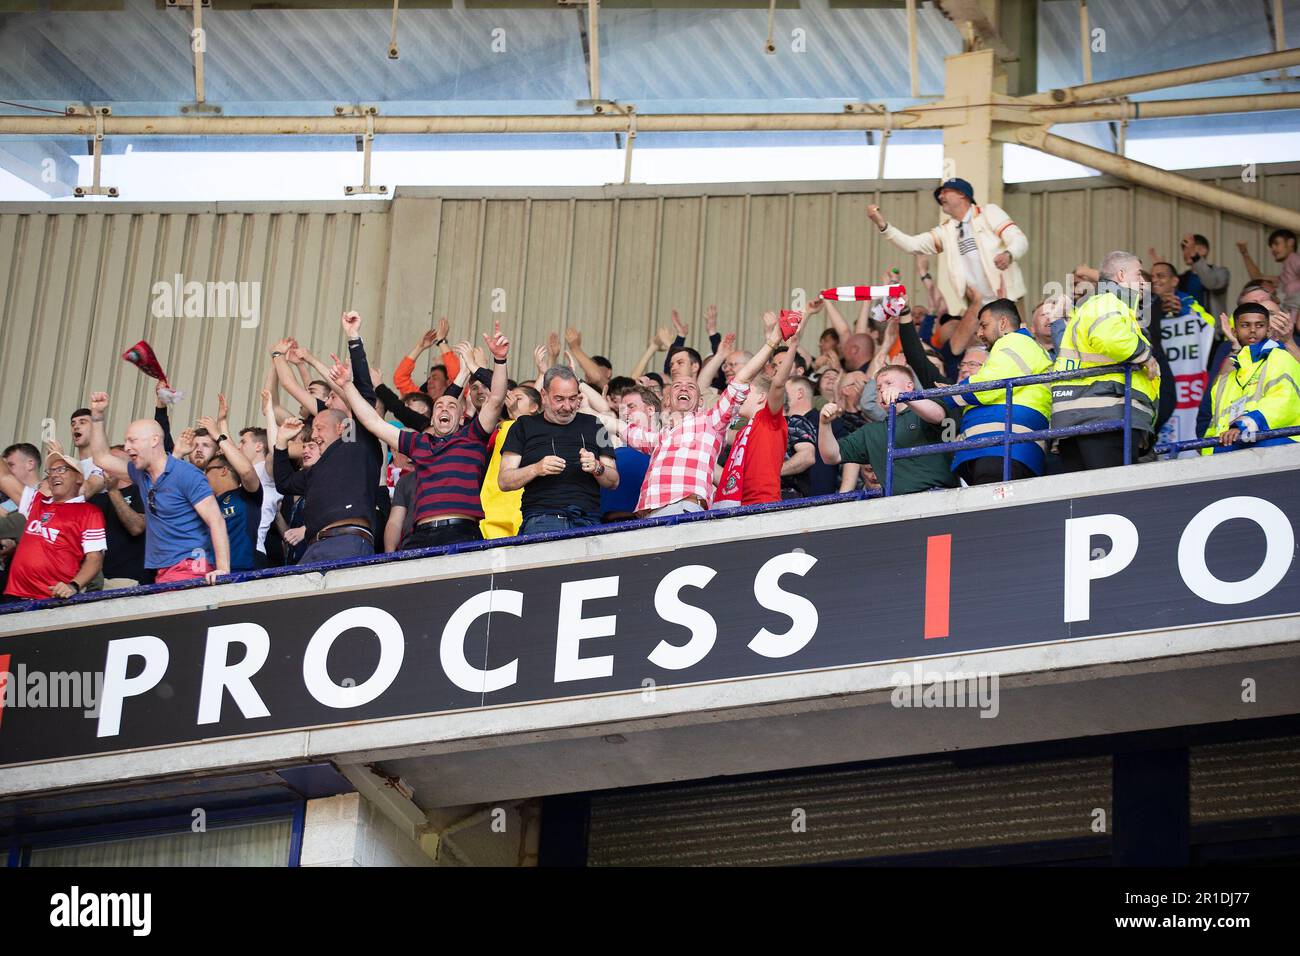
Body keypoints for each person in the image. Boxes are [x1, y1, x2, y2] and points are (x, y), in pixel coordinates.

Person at [332, 324, 510, 550]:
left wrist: (499, 360)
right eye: (439, 407)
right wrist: (347, 386)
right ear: (432, 419)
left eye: (451, 406)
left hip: (461, 533)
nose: (444, 409)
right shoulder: (418, 443)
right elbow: (373, 422)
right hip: (418, 537)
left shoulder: (473, 437)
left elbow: (496, 398)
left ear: (461, 416)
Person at [602, 313, 789, 517]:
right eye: (677, 386)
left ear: (700, 402)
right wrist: (594, 414)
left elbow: (743, 378)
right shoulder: (660, 436)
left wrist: (771, 342)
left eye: (690, 386)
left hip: (683, 509)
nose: (683, 388)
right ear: (669, 398)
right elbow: (625, 430)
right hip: (646, 516)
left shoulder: (711, 421)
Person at [271, 311, 385, 564]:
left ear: (342, 427)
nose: (315, 433)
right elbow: (285, 484)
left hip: (347, 540)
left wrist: (353, 338)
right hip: (314, 546)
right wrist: (281, 444)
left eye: (320, 427)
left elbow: (364, 390)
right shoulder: (318, 465)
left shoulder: (355, 438)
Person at [86, 392, 230, 585]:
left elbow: (216, 520)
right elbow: (101, 458)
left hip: (190, 566)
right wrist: (97, 416)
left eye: (132, 440)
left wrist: (223, 569)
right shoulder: (140, 473)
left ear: (154, 440)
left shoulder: (186, 474)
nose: (127, 448)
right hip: (164, 569)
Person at [1051, 250, 1161, 471]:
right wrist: (1145, 356)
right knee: (1113, 498)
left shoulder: (1099, 305)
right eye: (1138, 275)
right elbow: (1108, 337)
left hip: (1083, 417)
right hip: (1104, 417)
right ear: (1121, 275)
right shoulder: (1108, 301)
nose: (1143, 283)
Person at [941, 298, 1053, 483]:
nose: (979, 333)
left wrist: (947, 396)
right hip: (1003, 449)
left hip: (1002, 449)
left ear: (1003, 323)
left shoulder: (1015, 342)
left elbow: (989, 385)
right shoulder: (1020, 347)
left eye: (984, 325)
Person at [868, 177, 1029, 304]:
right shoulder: (946, 231)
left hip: (1008, 299)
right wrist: (882, 225)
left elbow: (1019, 240)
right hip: (978, 308)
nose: (940, 196)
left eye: (945, 192)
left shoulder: (988, 213)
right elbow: (912, 245)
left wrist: (1009, 254)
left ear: (962, 194)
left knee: (1018, 342)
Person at [499, 365, 619, 534]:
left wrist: (597, 467)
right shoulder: (523, 426)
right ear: (544, 395)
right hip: (541, 519)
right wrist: (536, 468)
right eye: (559, 399)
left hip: (588, 520)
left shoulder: (595, 424)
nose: (568, 406)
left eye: (573, 398)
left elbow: (614, 481)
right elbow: (504, 481)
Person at [818, 364, 959, 495]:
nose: (882, 390)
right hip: (896, 505)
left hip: (938, 496)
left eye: (889, 383)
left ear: (909, 386)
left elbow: (938, 415)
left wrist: (904, 397)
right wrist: (824, 424)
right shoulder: (870, 431)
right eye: (878, 388)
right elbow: (831, 456)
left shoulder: (924, 410)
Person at [714, 322, 808, 507]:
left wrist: (793, 347)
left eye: (747, 390)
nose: (739, 395)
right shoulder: (741, 431)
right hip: (733, 508)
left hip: (760, 504)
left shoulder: (768, 419)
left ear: (762, 397)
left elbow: (779, 383)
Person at [0, 450, 106, 602]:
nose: (55, 474)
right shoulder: (36, 502)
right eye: (51, 471)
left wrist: (74, 586)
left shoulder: (89, 512)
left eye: (62, 470)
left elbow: (94, 558)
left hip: (52, 600)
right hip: (16, 595)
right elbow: (4, 476)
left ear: (79, 478)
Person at [1201, 302, 1300, 454]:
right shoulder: (1224, 380)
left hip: (1280, 453)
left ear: (1268, 330)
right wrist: (1209, 455)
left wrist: (1243, 425)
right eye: (1245, 325)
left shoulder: (1280, 357)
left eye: (1259, 325)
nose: (1253, 330)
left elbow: (1283, 401)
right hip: (1231, 462)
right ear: (1234, 332)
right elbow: (1214, 430)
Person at [1149, 260, 1215, 456]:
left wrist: (1183, 311)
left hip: (1186, 383)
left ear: (1175, 280)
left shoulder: (1187, 301)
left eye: (1160, 276)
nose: (1155, 280)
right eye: (1152, 277)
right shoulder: (1144, 305)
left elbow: (1209, 324)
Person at [480, 385, 540, 539]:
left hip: (521, 501)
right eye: (510, 398)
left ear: (534, 407)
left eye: (519, 398)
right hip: (493, 501)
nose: (512, 400)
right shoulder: (501, 426)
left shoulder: (541, 429)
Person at [89, 444, 148, 589]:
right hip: (96, 582)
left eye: (113, 460)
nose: (107, 465)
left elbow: (137, 527)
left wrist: (113, 491)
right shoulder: (96, 499)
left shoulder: (142, 491)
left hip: (128, 580)